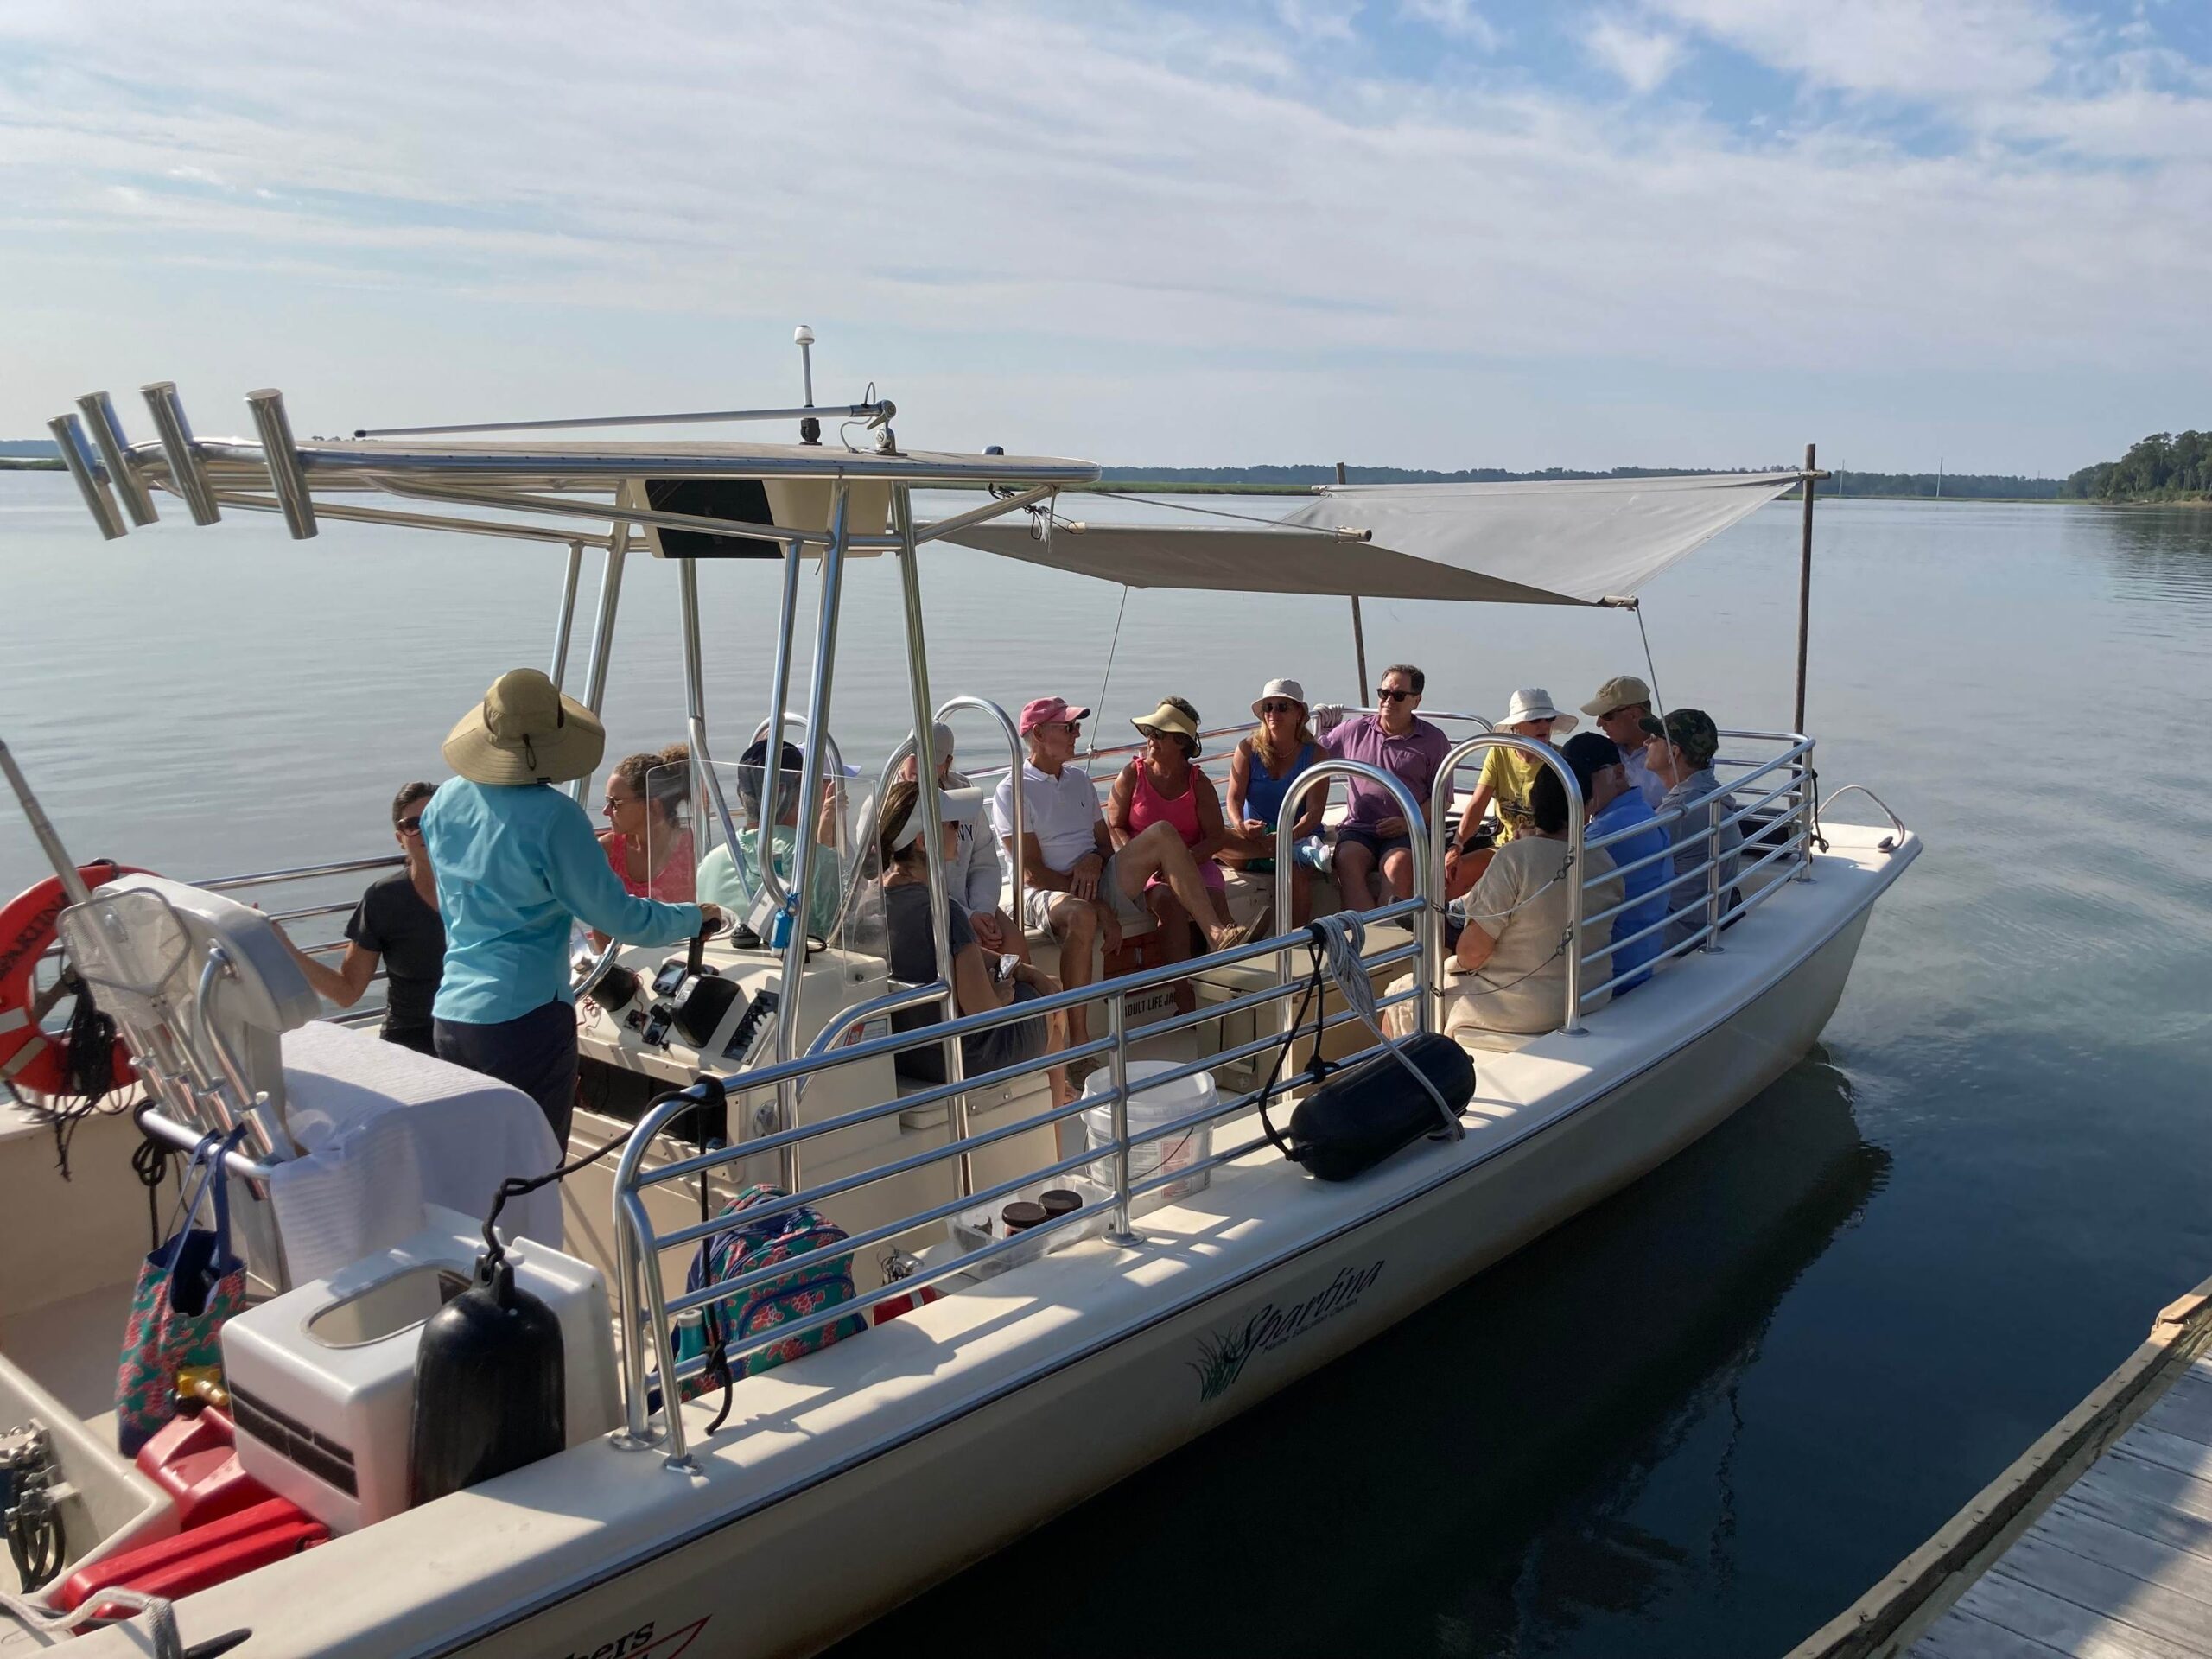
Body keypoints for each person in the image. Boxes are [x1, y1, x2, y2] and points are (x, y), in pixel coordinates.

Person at [421, 669, 718, 1141]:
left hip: (452, 1015)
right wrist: (693, 917)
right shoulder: (555, 817)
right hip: (523, 1020)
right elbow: (621, 917)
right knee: (532, 1166)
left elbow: (448, 897)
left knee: (476, 1164)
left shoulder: (442, 803)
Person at [989, 696, 1249, 1057]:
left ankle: (1218, 934)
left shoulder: (1080, 780)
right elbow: (1032, 871)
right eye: (1068, 728)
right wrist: (1100, 907)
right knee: (1082, 916)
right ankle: (1078, 1047)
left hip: (1093, 881)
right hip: (1045, 891)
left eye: (1076, 726)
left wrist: (1094, 861)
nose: (1077, 734)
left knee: (1162, 832)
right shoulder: (1012, 790)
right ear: (1038, 734)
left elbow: (1104, 845)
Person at [879, 779, 1071, 1107]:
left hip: (906, 1053)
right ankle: (1053, 1137)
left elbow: (951, 955)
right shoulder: (944, 911)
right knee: (1051, 1000)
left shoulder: (875, 903)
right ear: (924, 842)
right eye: (952, 824)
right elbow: (984, 1010)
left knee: (1039, 983)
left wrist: (1022, 971)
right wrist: (1003, 992)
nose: (960, 829)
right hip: (960, 1056)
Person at [1448, 765, 1624, 1034]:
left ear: (1533, 804)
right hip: (1588, 996)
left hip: (1520, 1007)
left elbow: (1471, 954)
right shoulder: (1607, 861)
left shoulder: (1516, 857)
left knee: (1402, 995)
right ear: (1588, 805)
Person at [279, 782, 447, 1054]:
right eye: (413, 824)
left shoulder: (487, 888)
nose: (427, 829)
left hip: (476, 1030)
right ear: (400, 838)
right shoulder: (385, 899)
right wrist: (285, 948)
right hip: (411, 1037)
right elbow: (347, 992)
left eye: (437, 819)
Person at [1104, 697, 1242, 979]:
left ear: (1181, 742)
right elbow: (1114, 825)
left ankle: (1233, 975)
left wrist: (1183, 862)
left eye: (1159, 734)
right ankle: (1184, 996)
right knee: (1168, 903)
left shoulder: (1198, 783)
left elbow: (1215, 838)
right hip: (1149, 866)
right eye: (1150, 732)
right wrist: (1141, 854)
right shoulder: (1133, 774)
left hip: (1195, 859)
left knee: (1214, 897)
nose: (1151, 740)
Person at [1313, 664, 1452, 912]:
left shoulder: (1434, 740)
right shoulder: (1353, 730)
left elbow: (1443, 799)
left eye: (1398, 695)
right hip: (1359, 828)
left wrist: (1407, 820)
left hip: (1407, 830)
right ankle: (1366, 938)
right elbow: (1311, 756)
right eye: (1383, 693)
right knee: (1345, 860)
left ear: (1416, 701)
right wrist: (1318, 727)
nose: (1388, 700)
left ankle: (1388, 936)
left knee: (1397, 865)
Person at [695, 737, 845, 941]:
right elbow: (845, 941)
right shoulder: (820, 861)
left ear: (741, 795)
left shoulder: (710, 864)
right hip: (801, 970)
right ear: (801, 790)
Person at [1560, 732, 1669, 994]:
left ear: (1619, 773)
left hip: (1608, 974)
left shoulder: (1602, 836)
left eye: (1584, 778)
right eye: (1566, 780)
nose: (1576, 789)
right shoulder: (1643, 813)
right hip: (1640, 961)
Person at [1222, 677, 1325, 927]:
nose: (1273, 713)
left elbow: (1314, 813)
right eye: (1268, 707)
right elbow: (1233, 798)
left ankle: (1295, 942)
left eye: (1282, 707)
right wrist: (1241, 825)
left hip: (1296, 837)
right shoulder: (1247, 749)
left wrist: (1287, 836)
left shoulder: (1316, 754)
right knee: (1213, 839)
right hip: (1254, 838)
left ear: (1299, 713)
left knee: (1295, 875)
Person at [1448, 688, 1578, 880]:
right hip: (1504, 847)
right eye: (1535, 720)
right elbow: (1478, 805)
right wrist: (1457, 846)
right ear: (1516, 725)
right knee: (1451, 875)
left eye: (1549, 719)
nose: (1544, 725)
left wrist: (1534, 836)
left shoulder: (1560, 761)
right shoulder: (1499, 752)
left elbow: (1574, 822)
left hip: (1545, 851)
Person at [1639, 706, 1741, 950]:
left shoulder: (1681, 812)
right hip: (1702, 919)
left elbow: (1621, 863)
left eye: (1654, 739)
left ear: (1673, 752)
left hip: (1679, 930)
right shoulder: (1709, 795)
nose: (1645, 743)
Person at [894, 721, 1004, 924]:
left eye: (931, 759)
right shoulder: (888, 805)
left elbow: (984, 862)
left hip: (968, 910)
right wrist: (968, 917)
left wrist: (984, 911)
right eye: (914, 757)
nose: (921, 766)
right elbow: (899, 879)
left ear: (947, 762)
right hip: (921, 913)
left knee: (1013, 940)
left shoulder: (966, 797)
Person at [599, 743, 696, 901]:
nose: (606, 811)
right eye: (606, 801)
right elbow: (599, 920)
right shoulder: (607, 852)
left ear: (652, 806)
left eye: (615, 803)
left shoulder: (693, 851)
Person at [1582, 674, 1667, 810]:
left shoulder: (1674, 753)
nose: (1599, 723)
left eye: (1607, 715)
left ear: (1634, 714)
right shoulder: (1603, 753)